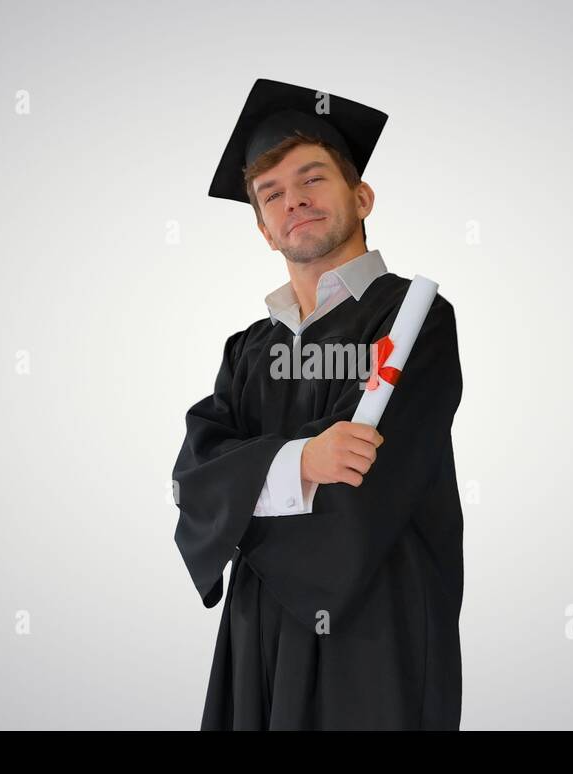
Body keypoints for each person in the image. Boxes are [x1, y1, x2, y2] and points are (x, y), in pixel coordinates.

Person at [171, 78, 464, 729]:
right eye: (270, 193)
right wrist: (305, 458)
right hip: (253, 638)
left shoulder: (413, 320)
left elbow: (362, 487)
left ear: (361, 195)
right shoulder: (248, 348)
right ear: (264, 230)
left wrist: (244, 486)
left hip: (374, 635)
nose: (292, 200)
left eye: (312, 179)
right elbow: (192, 484)